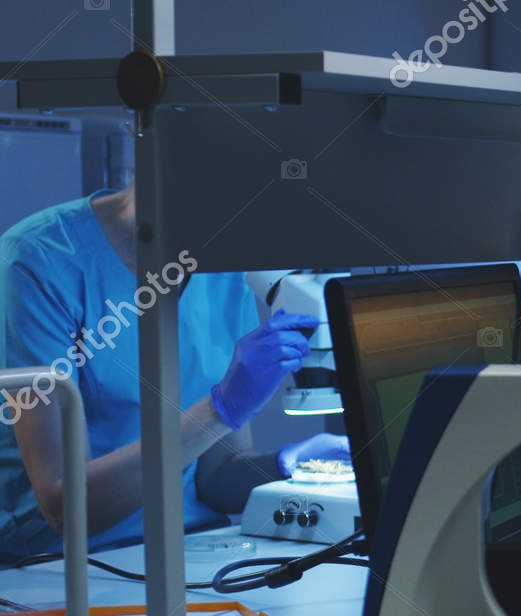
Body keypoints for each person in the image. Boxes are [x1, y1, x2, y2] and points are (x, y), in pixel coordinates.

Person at [0, 187, 347, 560]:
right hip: (60, 569)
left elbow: (214, 478)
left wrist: (290, 465)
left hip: (190, 549)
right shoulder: (41, 260)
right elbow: (66, 508)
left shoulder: (224, 270)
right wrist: (221, 410)